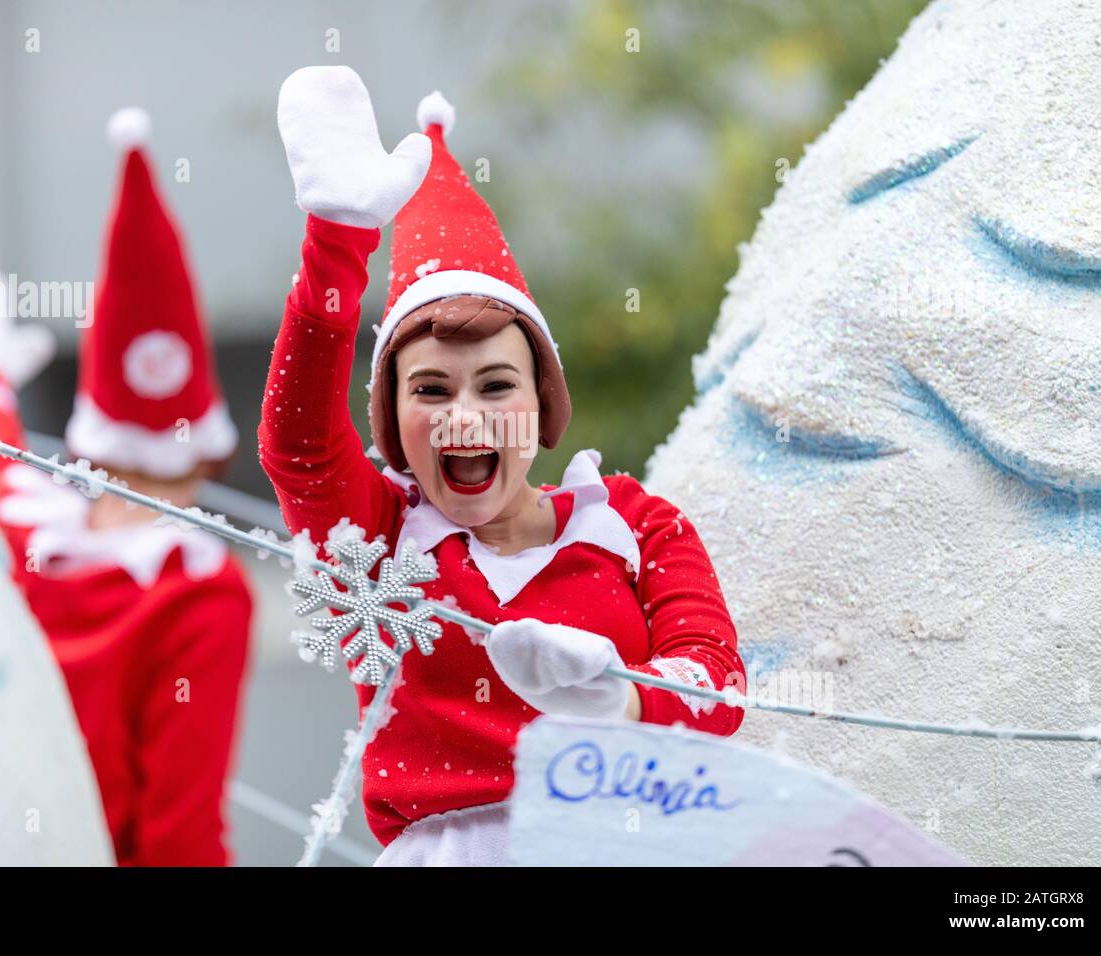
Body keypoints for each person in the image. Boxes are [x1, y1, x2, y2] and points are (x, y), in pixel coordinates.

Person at [261, 66, 746, 866]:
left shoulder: (634, 521)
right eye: (429, 389)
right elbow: (298, 447)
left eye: (496, 385)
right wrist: (336, 242)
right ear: (391, 418)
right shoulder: (378, 536)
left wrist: (620, 701)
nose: (464, 416)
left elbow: (717, 681)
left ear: (544, 402)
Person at [0, 108, 251, 866]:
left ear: (85, 439)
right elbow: (181, 838)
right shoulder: (201, 593)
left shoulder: (23, 527)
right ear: (210, 447)